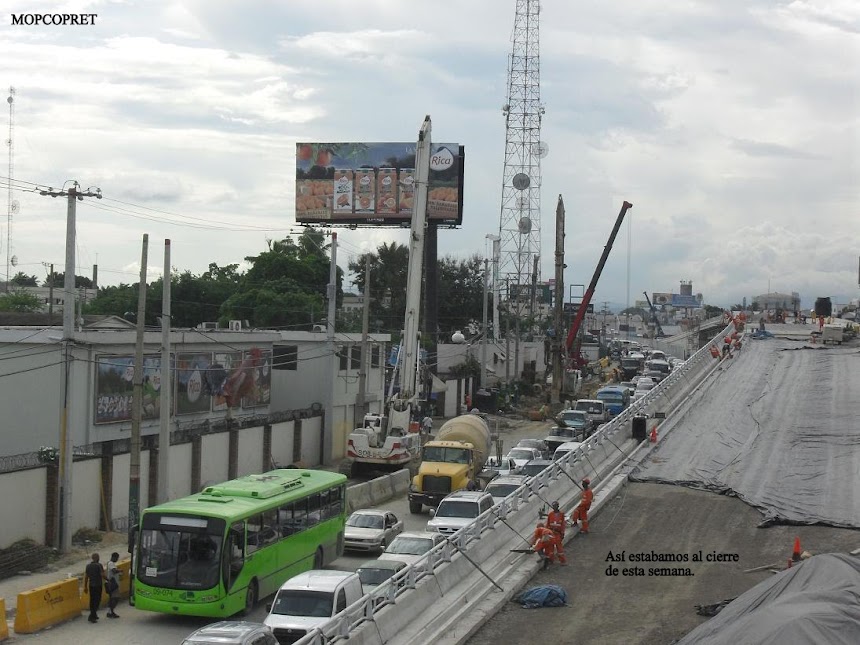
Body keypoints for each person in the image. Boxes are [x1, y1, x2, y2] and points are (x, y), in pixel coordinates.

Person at [84, 553, 105, 623]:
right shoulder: (99, 565)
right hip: (98, 585)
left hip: (91, 585)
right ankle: (92, 616)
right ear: (97, 558)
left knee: (92, 600)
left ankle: (94, 614)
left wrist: (85, 587)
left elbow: (86, 577)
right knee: (97, 600)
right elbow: (102, 575)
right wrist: (108, 580)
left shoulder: (88, 566)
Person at [105, 552, 121, 618]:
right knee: (115, 598)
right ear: (114, 557)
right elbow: (114, 571)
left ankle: (110, 611)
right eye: (117, 558)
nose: (117, 559)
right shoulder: (111, 563)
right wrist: (120, 570)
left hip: (111, 583)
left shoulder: (110, 563)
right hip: (112, 584)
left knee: (111, 598)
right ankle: (111, 611)